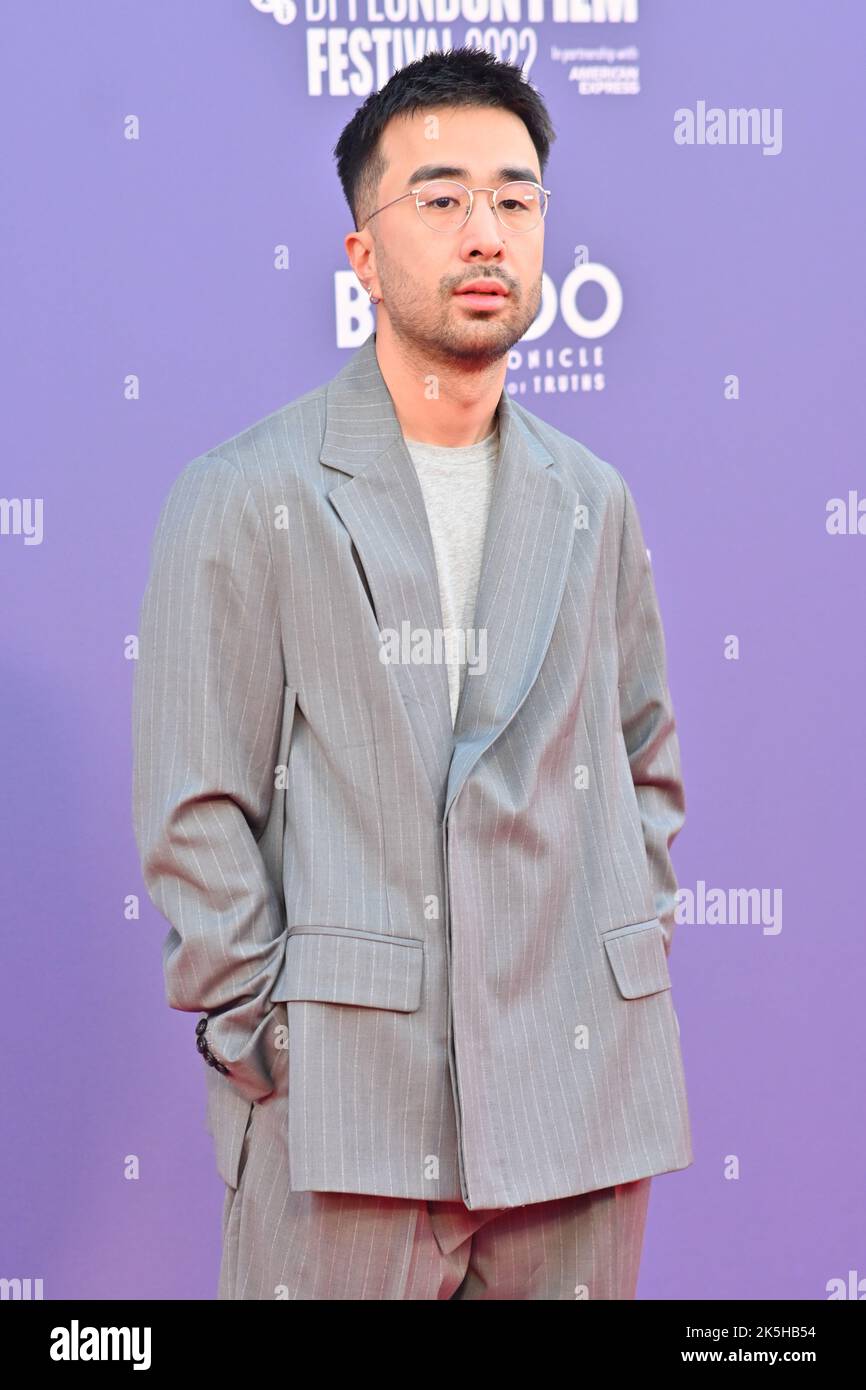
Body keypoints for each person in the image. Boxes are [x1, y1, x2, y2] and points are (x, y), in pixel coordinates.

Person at [131, 45, 692, 1301]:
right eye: (438, 200)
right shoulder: (244, 494)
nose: (483, 231)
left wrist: (615, 947)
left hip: (577, 1111)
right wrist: (268, 1034)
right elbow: (193, 804)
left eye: (514, 196)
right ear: (363, 256)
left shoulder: (592, 501)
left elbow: (643, 757)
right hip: (342, 1118)